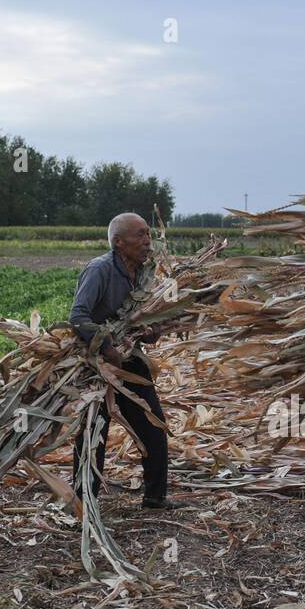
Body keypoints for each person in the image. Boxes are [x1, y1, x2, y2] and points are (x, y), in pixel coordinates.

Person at [67, 212, 175, 510]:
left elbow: (145, 324)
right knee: (94, 433)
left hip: (130, 362)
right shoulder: (99, 270)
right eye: (139, 235)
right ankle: (83, 503)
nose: (147, 241)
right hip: (96, 365)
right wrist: (106, 347)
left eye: (148, 234)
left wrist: (153, 330)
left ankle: (155, 497)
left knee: (154, 427)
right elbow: (77, 317)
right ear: (119, 242)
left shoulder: (144, 272)